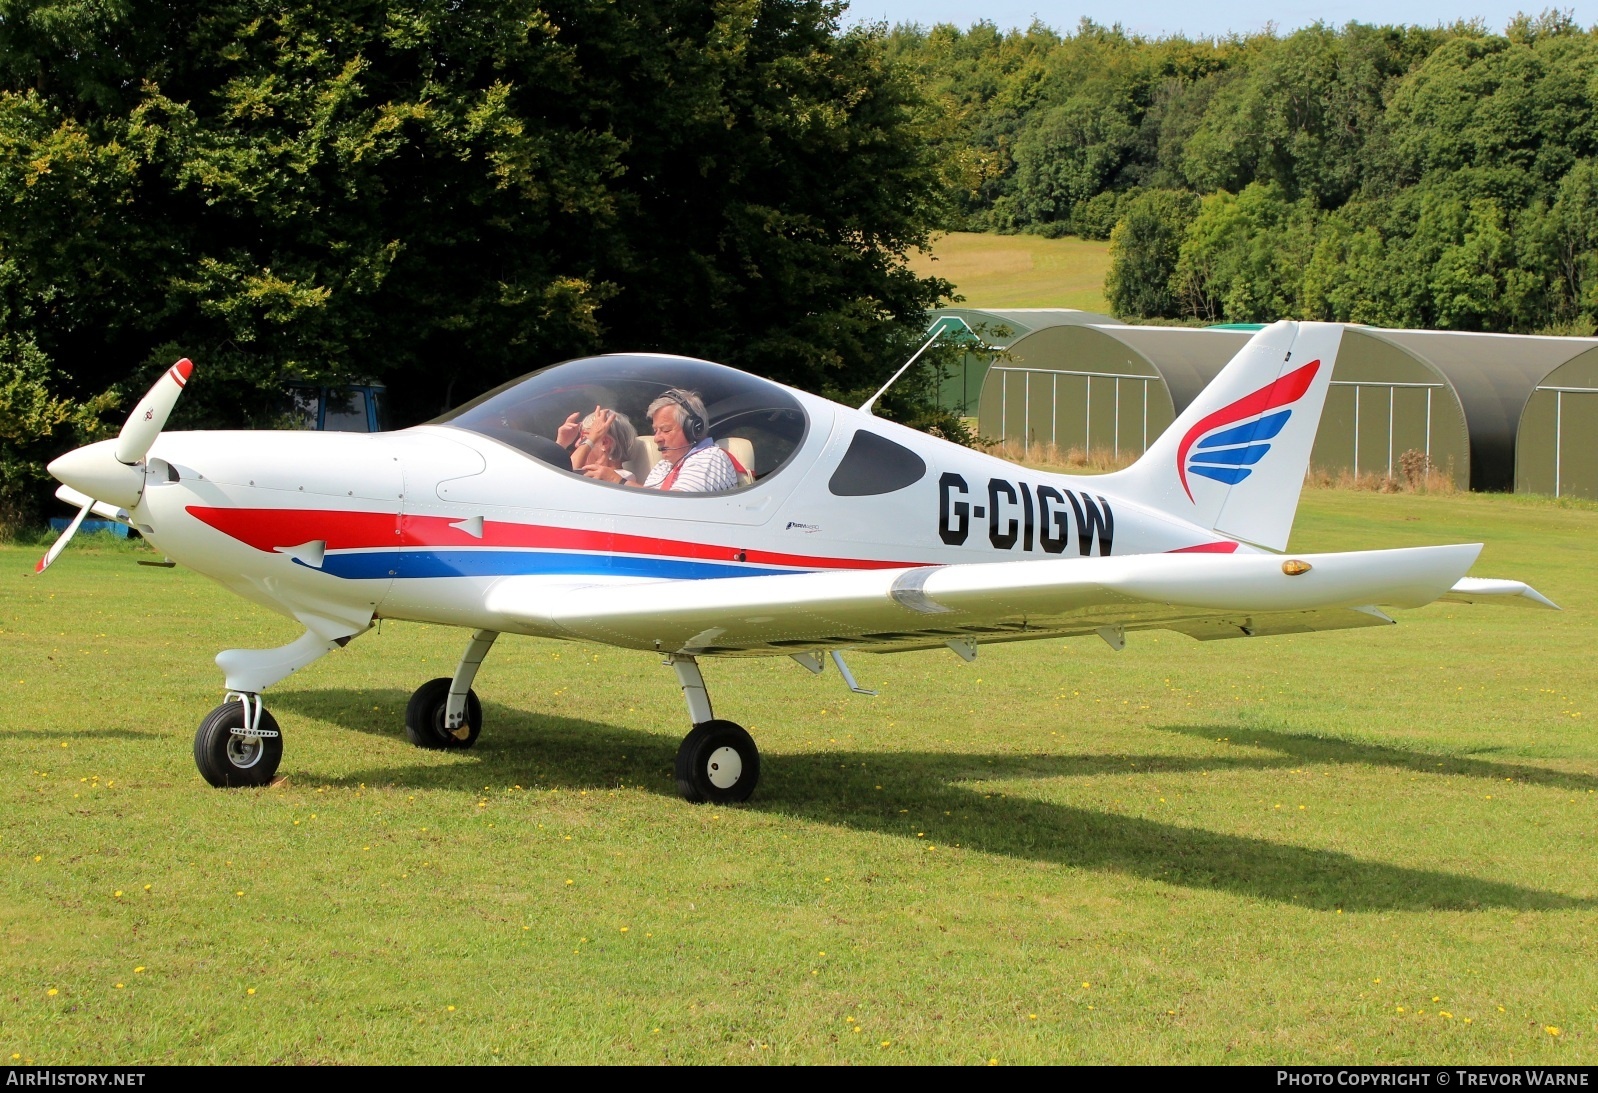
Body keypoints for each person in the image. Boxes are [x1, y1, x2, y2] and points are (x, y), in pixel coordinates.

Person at [584, 388, 742, 491]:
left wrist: (617, 480)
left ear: (694, 429)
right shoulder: (663, 466)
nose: (657, 438)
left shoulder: (710, 457)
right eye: (655, 431)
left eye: (665, 430)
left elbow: (675, 507)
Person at [557, 404, 640, 482]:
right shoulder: (590, 473)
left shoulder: (620, 478)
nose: (577, 444)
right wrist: (561, 444)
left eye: (584, 438)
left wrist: (591, 439)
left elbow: (567, 478)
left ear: (605, 443)